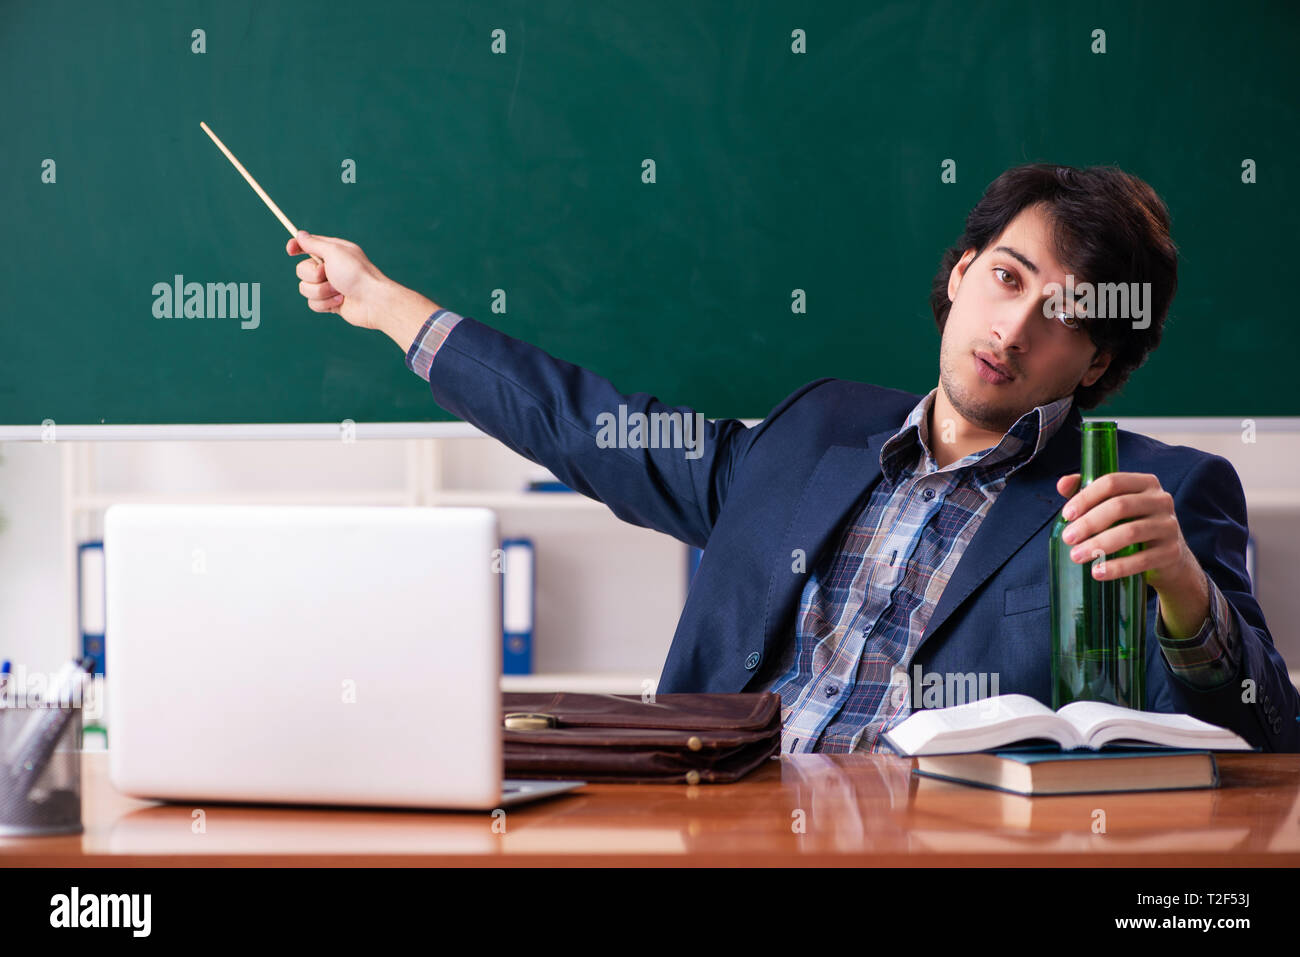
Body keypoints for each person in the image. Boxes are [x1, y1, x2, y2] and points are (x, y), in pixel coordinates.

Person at [287, 163, 1298, 753]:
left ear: (1099, 356)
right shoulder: (816, 430)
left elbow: (1265, 741)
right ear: (959, 275)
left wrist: (1184, 598)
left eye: (1063, 312)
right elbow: (591, 426)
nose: (1013, 324)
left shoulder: (1149, 494)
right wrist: (380, 302)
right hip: (710, 827)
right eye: (1005, 277)